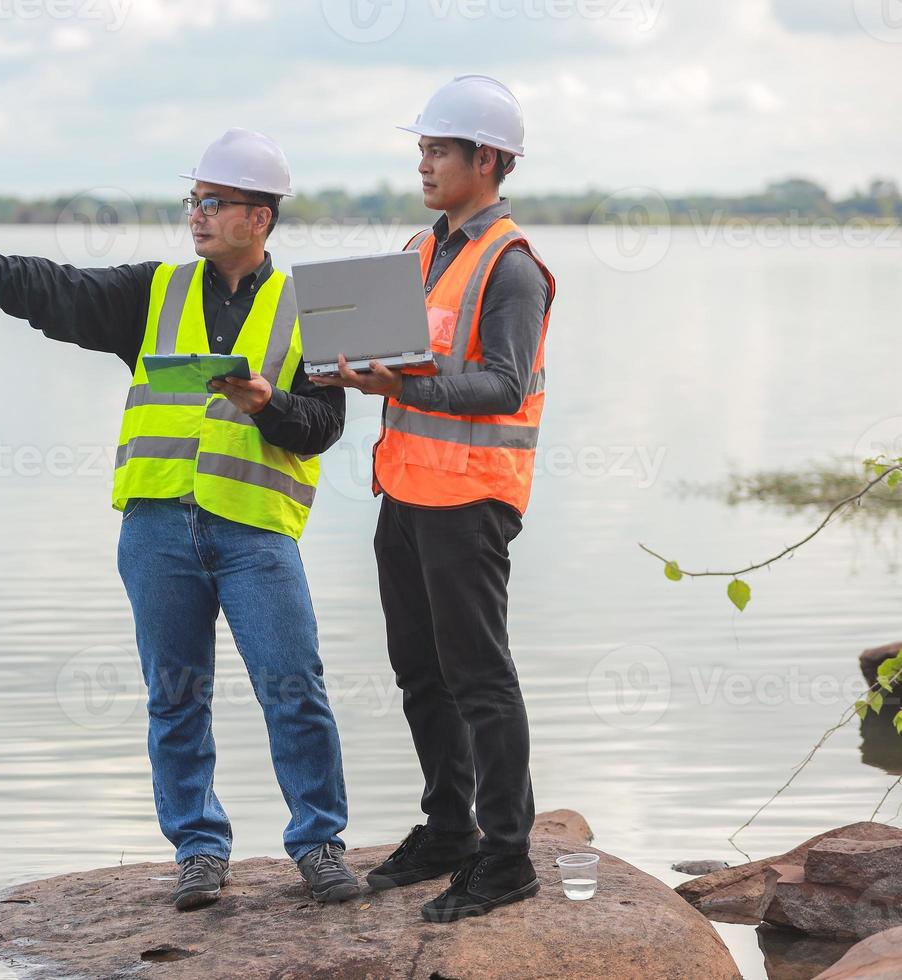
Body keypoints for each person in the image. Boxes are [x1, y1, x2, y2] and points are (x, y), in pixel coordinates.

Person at [0, 129, 359, 911]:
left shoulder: (310, 308)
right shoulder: (154, 292)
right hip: (156, 527)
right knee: (175, 695)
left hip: (255, 529)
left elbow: (323, 427)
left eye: (213, 202)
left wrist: (268, 403)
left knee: (293, 688)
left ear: (259, 218)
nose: (196, 215)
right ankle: (199, 849)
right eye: (193, 200)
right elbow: (59, 289)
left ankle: (318, 844)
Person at [311, 75, 557, 923]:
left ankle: (508, 856)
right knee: (419, 671)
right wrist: (339, 363)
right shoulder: (422, 249)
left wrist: (404, 385)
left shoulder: (513, 268)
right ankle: (450, 828)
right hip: (405, 490)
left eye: (438, 150)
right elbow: (399, 352)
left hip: (471, 499)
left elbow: (503, 384)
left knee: (479, 678)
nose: (423, 164)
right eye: (420, 149)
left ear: (487, 160)